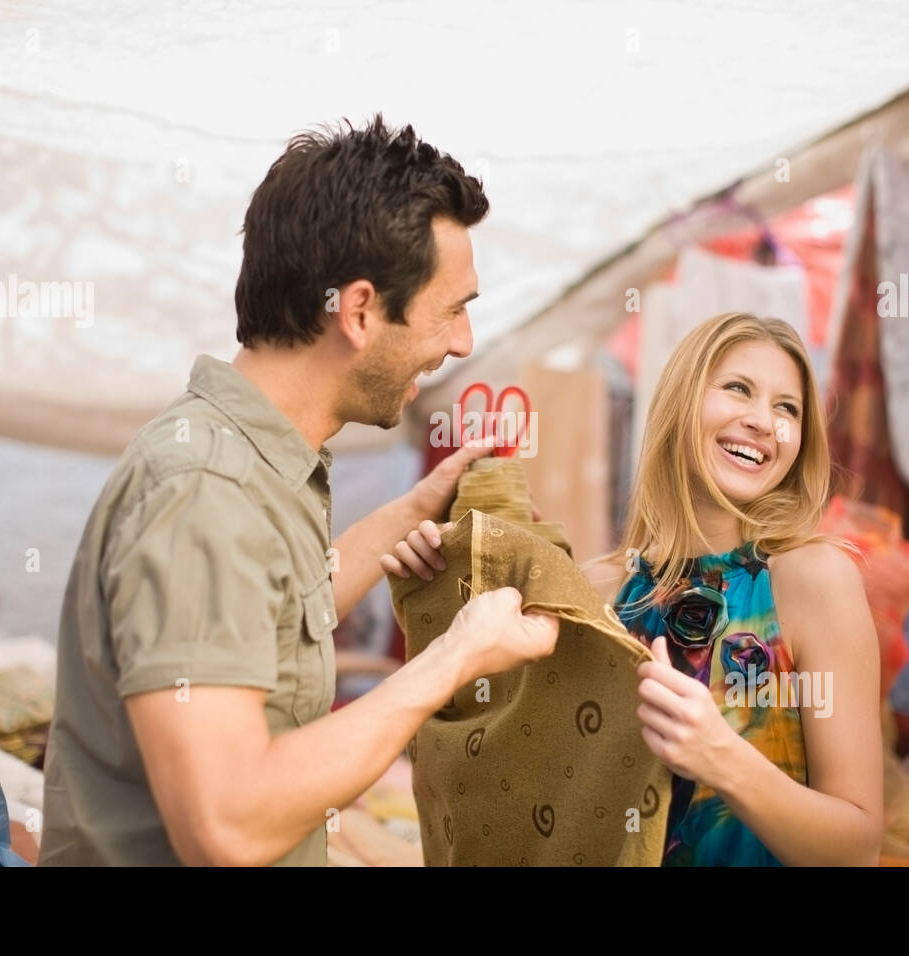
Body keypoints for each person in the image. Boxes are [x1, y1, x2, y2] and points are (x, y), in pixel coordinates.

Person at [40, 116, 558, 867]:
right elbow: (228, 823)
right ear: (356, 312)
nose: (462, 342)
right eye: (452, 309)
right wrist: (455, 656)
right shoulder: (205, 494)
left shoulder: (246, 463)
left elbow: (274, 615)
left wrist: (408, 517)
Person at [385, 312, 883, 866]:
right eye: (739, 389)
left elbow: (857, 848)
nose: (764, 422)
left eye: (787, 408)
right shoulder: (602, 586)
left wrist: (721, 759)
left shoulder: (812, 578)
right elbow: (506, 758)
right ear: (680, 402)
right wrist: (439, 591)